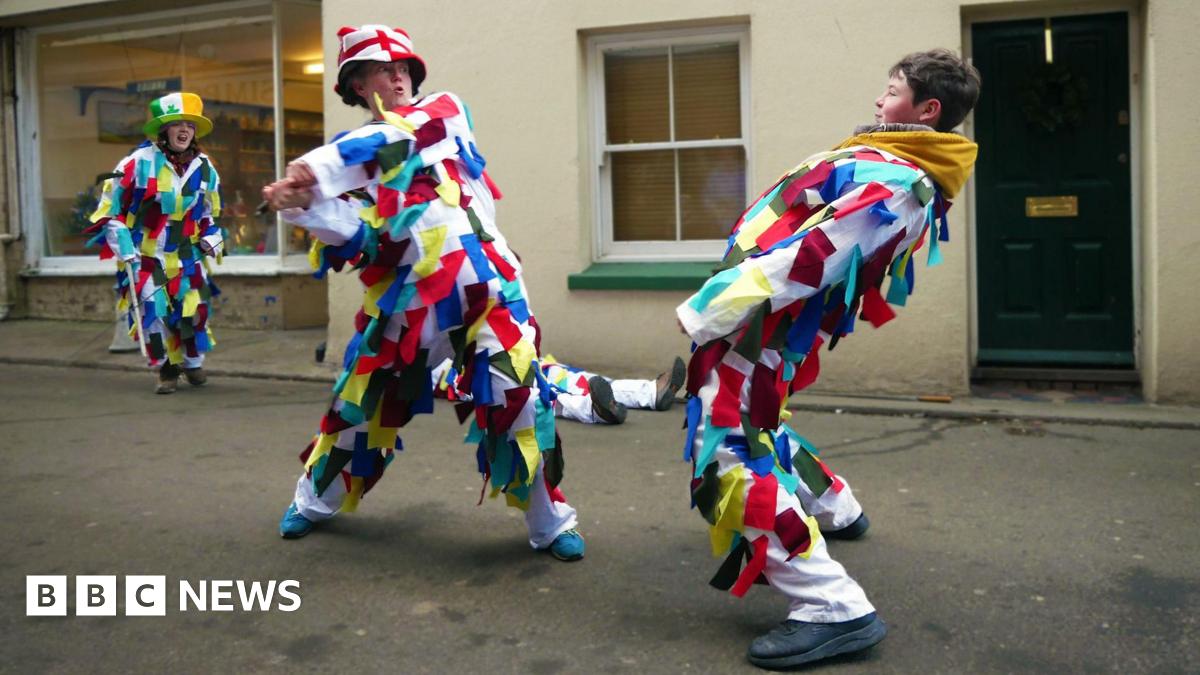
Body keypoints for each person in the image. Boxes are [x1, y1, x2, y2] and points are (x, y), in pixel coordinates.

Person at [675, 49, 980, 669]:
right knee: (757, 420)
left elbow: (816, 253)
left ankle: (833, 606)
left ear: (928, 109)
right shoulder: (894, 160)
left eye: (892, 90)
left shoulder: (900, 183)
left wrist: (713, 308)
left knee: (726, 447)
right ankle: (834, 504)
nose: (878, 99)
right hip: (766, 324)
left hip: (761, 323)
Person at [261, 25, 584, 561]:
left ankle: (550, 523)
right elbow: (356, 234)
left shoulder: (442, 114)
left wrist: (315, 172)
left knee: (518, 399)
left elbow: (397, 139)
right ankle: (315, 499)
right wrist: (303, 205)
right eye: (384, 70)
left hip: (489, 292)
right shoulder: (352, 161)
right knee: (360, 409)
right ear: (359, 86)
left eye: (404, 67)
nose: (399, 76)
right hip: (409, 306)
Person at [87, 93, 224, 394]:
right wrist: (121, 239)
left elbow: (209, 213)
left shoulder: (204, 168)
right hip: (148, 252)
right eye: (177, 124)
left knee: (193, 308)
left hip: (187, 252)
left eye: (189, 124)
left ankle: (191, 361)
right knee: (155, 309)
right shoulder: (137, 163)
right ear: (164, 130)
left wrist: (213, 236)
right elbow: (109, 209)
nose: (184, 130)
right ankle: (167, 368)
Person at [432, 355, 687, 425]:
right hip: (464, 374)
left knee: (565, 376)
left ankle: (650, 392)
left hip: (499, 350)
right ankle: (595, 411)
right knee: (530, 393)